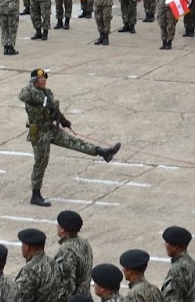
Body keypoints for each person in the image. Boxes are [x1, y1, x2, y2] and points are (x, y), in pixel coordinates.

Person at [18, 68, 119, 207]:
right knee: (41, 163)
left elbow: (54, 109)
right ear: (34, 80)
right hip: (40, 134)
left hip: (51, 129)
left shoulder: (47, 93)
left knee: (74, 142)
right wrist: (31, 85)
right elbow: (22, 96)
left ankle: (103, 152)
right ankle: (35, 195)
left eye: (44, 78)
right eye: (40, 79)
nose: (44, 80)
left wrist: (64, 121)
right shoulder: (29, 93)